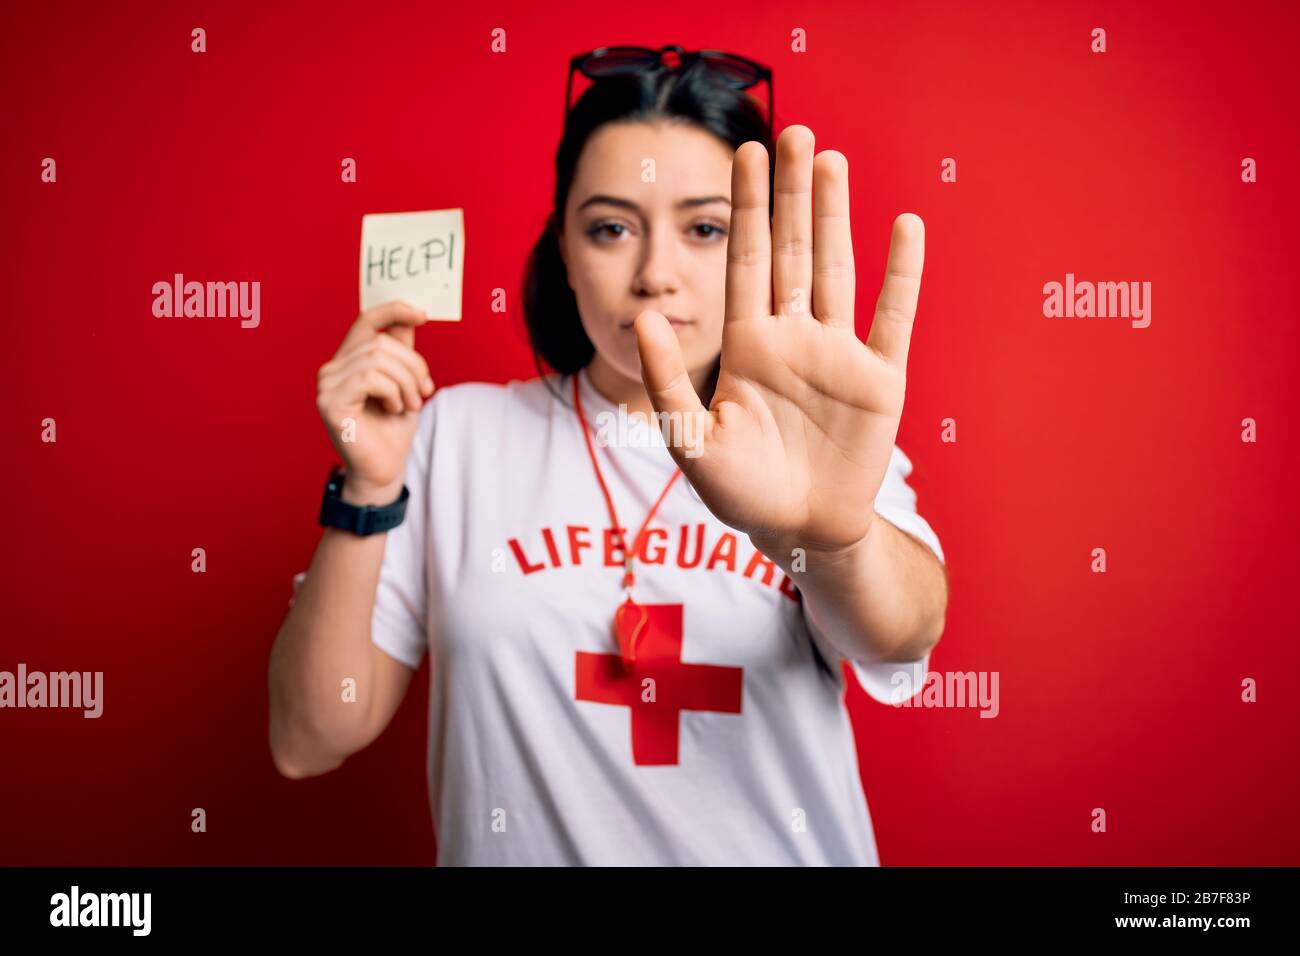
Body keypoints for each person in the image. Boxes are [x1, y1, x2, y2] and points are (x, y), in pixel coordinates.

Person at [268, 44, 949, 865]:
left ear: (758, 247)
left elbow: (906, 632)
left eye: (705, 228)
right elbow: (309, 737)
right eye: (611, 228)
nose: (654, 273)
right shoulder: (456, 437)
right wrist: (369, 484)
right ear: (563, 245)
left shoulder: (808, 439)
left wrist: (830, 535)